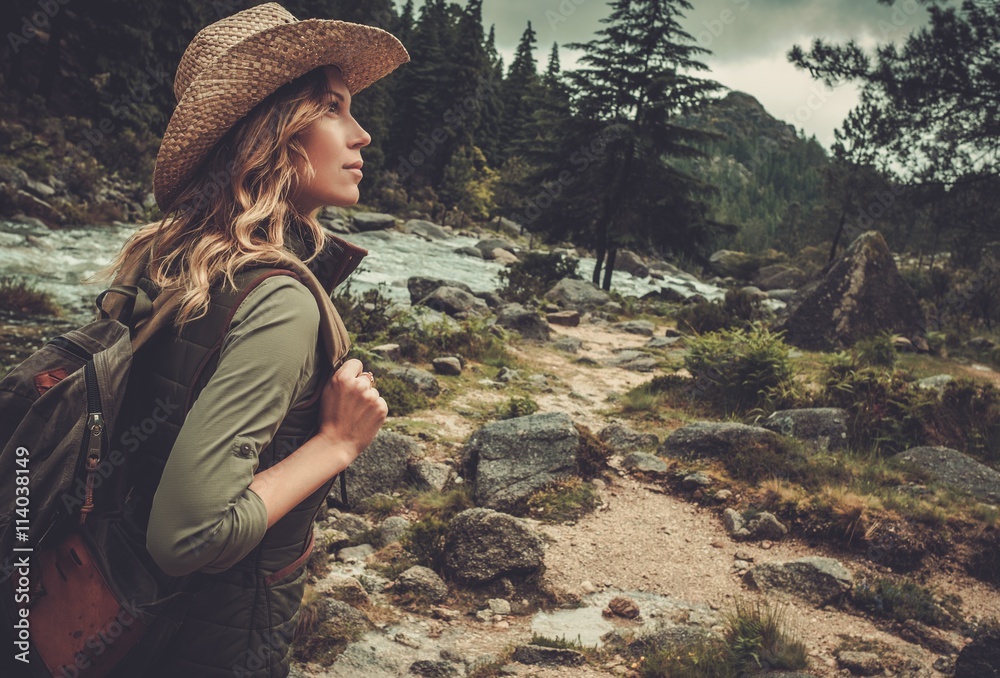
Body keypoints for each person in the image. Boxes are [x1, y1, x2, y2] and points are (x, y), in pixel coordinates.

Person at [3, 5, 406, 677]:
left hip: (103, 617)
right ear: (275, 133)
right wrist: (336, 445)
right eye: (334, 109)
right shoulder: (277, 298)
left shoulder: (165, 262)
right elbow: (187, 535)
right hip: (200, 645)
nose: (362, 135)